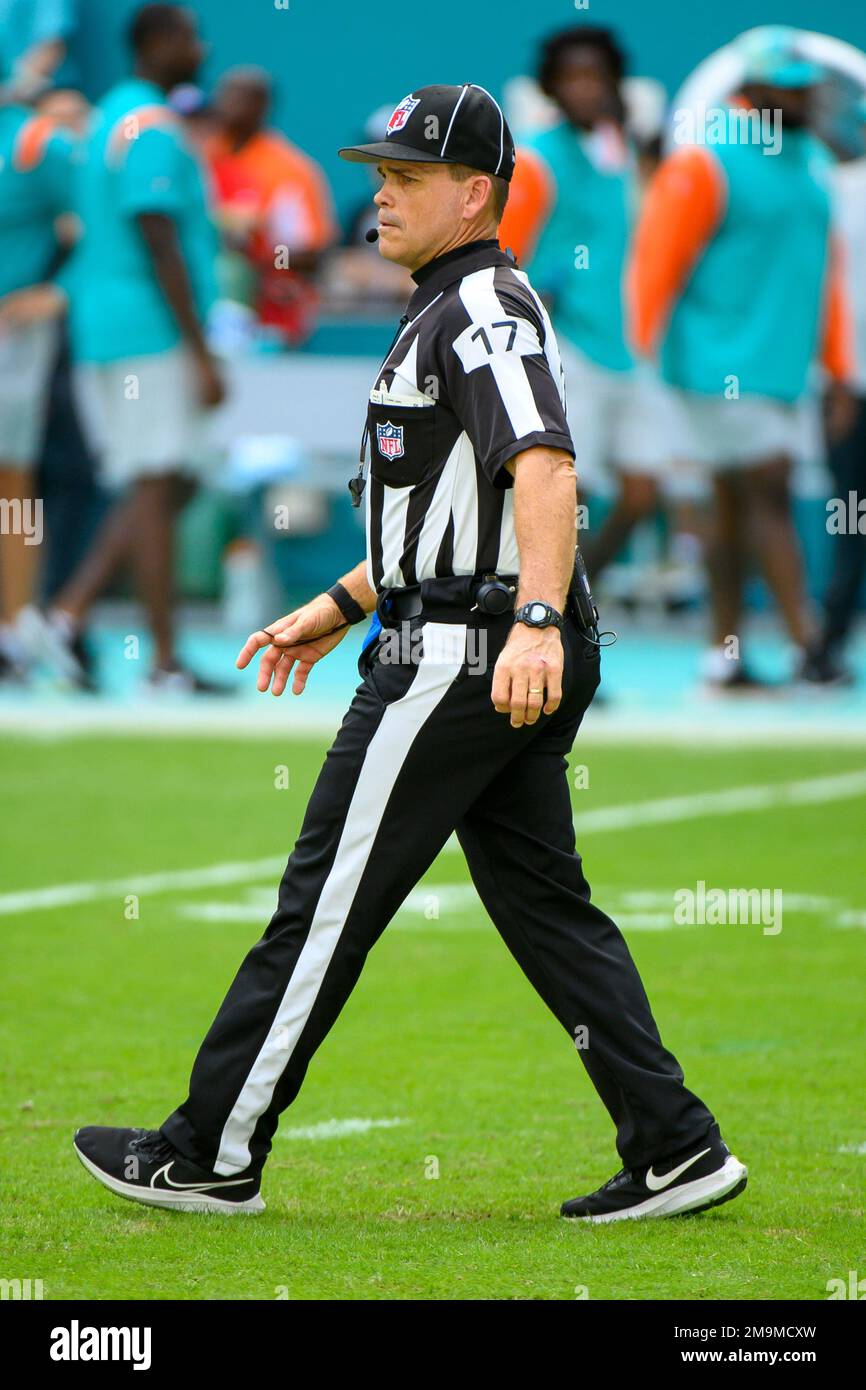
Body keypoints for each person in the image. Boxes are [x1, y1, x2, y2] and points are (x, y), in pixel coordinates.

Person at [73, 85, 747, 1224]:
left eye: (404, 176)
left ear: (473, 192)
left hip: (465, 657)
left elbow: (542, 468)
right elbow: (443, 510)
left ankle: (209, 1149)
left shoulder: (478, 301)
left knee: (324, 901)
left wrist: (531, 624)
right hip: (475, 638)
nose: (376, 194)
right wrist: (339, 602)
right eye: (376, 172)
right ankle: (675, 1145)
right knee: (545, 908)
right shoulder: (447, 302)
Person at [629, 45, 857, 690]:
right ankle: (807, 646)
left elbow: (825, 277)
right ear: (753, 90)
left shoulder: (813, 164)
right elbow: (656, 260)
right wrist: (642, 360)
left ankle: (722, 656)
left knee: (733, 506)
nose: (805, 99)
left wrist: (837, 367)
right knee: (770, 486)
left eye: (807, 88)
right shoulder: (704, 160)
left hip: (784, 370)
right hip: (714, 366)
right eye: (789, 88)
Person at [25, 3, 228, 693]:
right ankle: (162, 662)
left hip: (101, 327)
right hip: (149, 331)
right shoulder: (152, 126)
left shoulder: (108, 115)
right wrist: (200, 350)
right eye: (191, 36)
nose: (201, 48)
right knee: (157, 478)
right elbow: (156, 229)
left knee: (165, 480)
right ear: (158, 43)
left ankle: (66, 615)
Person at [498, 26, 670, 579]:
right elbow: (505, 255)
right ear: (551, 86)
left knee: (643, 494)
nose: (585, 88)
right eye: (572, 77)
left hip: (631, 345)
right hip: (567, 344)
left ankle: (576, 609)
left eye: (596, 76)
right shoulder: (535, 159)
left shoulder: (623, 152)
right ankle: (545, 618)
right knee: (573, 494)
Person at [0, 95, 76, 681]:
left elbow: (99, 222)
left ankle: (12, 629)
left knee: (12, 480)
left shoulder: (38, 143)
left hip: (13, 334)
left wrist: (58, 290)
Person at [803, 95, 866, 685]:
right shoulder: (838, 188)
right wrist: (836, 379)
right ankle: (825, 647)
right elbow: (828, 290)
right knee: (853, 523)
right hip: (852, 385)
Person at [205, 66, 337, 346]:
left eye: (237, 97)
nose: (225, 105)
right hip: (208, 313)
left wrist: (254, 255)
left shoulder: (290, 169)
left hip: (274, 319)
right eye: (223, 95)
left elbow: (314, 253)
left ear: (262, 105)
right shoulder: (203, 156)